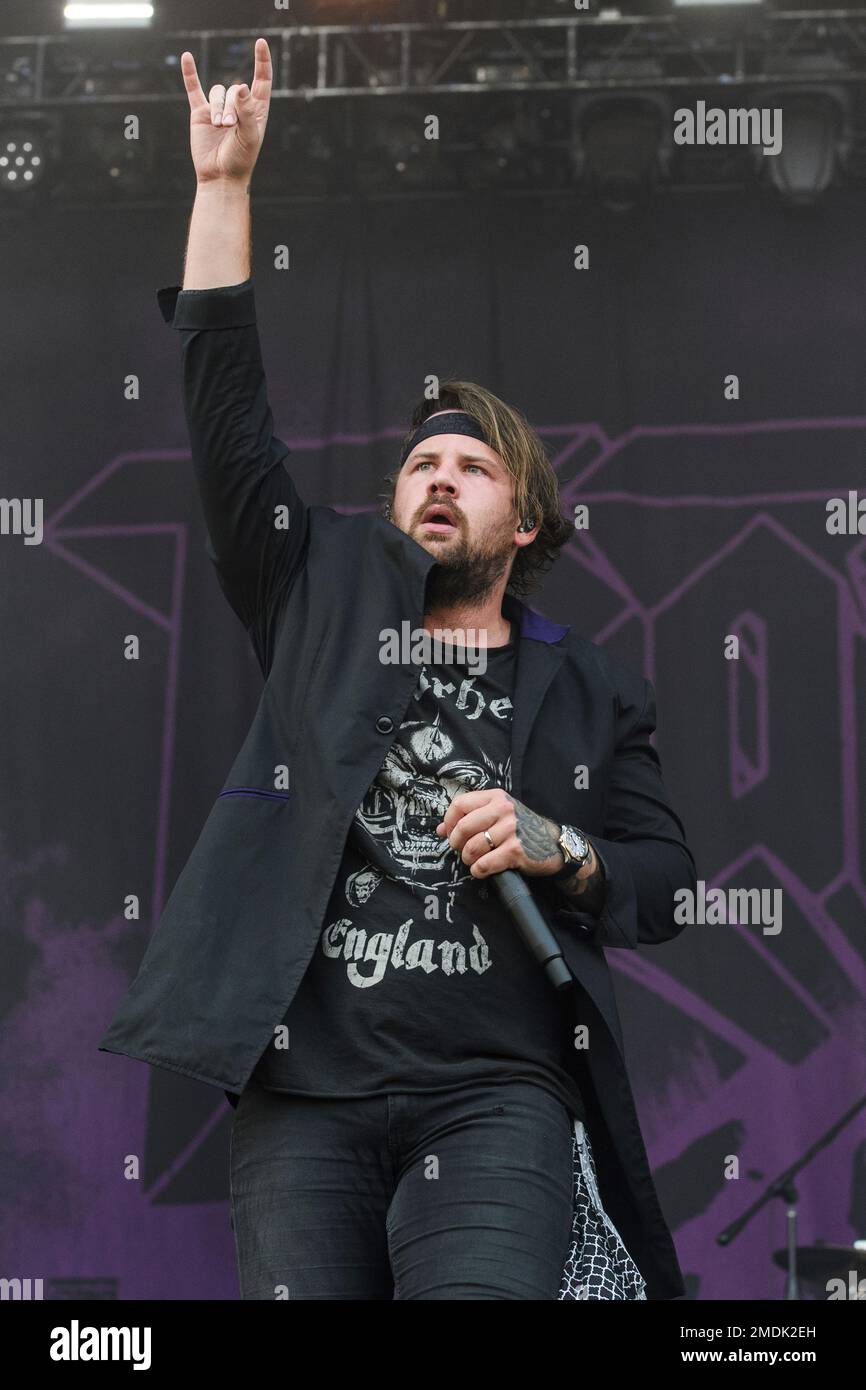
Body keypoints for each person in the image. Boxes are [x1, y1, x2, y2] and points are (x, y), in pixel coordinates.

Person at [99, 37, 698, 1301]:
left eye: (472, 467)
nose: (437, 476)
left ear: (522, 522)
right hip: (301, 1092)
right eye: (421, 463)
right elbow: (226, 416)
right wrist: (220, 191)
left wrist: (554, 842)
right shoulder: (314, 589)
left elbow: (660, 882)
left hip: (497, 1095)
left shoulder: (590, 687)